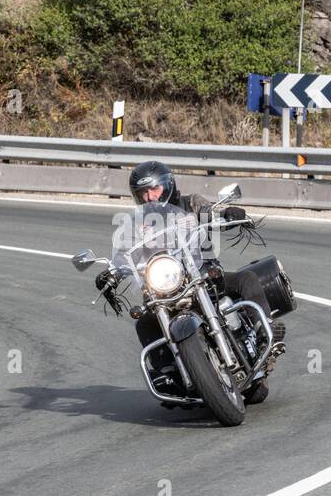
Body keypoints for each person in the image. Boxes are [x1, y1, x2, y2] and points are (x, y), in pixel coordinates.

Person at [99, 161, 285, 384]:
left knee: (247, 278)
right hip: (165, 288)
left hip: (204, 274)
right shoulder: (136, 225)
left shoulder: (190, 203)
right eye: (143, 193)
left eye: (154, 189)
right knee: (144, 323)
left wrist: (227, 213)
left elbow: (210, 213)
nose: (149, 197)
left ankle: (265, 332)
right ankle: (167, 370)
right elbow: (123, 252)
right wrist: (112, 272)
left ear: (167, 186)